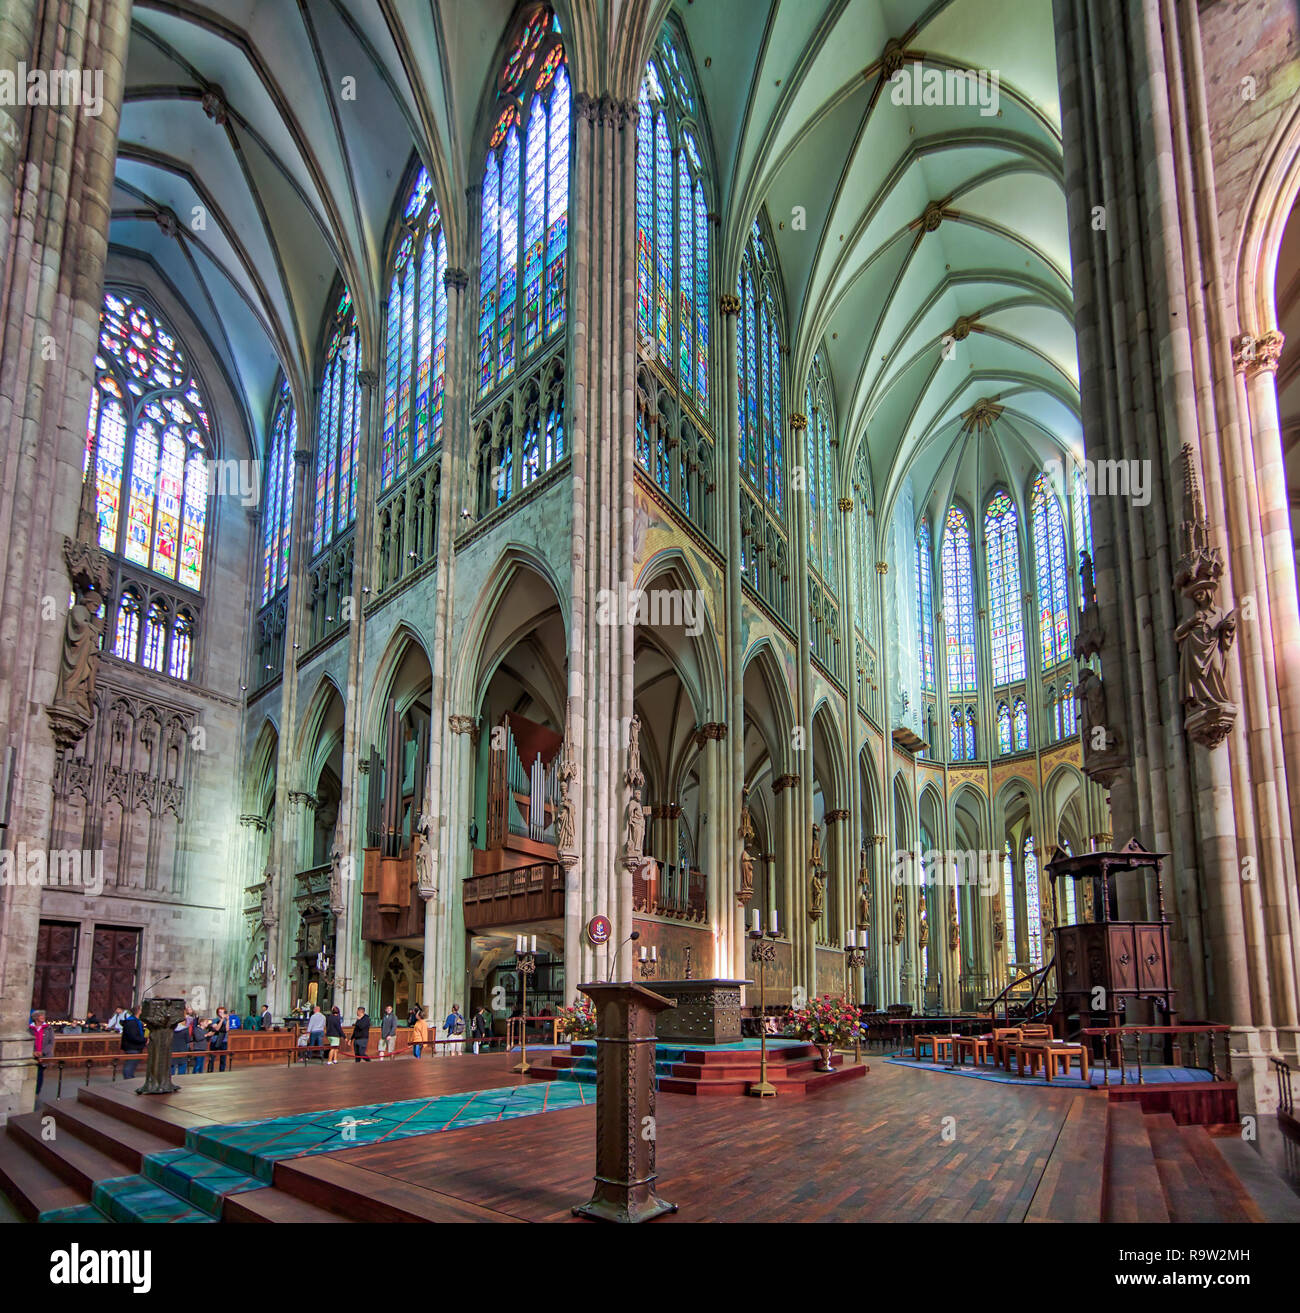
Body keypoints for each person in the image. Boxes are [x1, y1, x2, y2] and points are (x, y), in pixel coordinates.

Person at [119, 1006, 146, 1079]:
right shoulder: (131, 1022)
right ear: (139, 1012)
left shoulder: (136, 1021)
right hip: (132, 1046)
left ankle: (129, 1076)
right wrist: (145, 1040)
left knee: (133, 1064)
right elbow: (133, 1036)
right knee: (130, 1064)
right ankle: (128, 1079)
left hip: (136, 1046)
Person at [29, 1010, 49, 1095]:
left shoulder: (48, 1028)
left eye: (44, 1016)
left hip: (43, 1056)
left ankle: (36, 1093)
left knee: (40, 1074)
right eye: (41, 1016)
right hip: (31, 1055)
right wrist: (33, 1052)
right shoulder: (29, 1029)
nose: (43, 1017)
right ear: (36, 1017)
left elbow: (51, 1042)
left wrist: (43, 1053)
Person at [205, 1007, 229, 1073]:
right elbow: (217, 1029)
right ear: (217, 1013)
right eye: (220, 1012)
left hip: (224, 1041)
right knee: (212, 1057)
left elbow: (227, 1029)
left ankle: (222, 1071)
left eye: (223, 1012)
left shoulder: (226, 1020)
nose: (222, 1014)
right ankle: (210, 1071)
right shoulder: (214, 1020)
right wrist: (221, 1020)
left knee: (223, 1058)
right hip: (215, 1041)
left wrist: (227, 1020)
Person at [171, 1013, 191, 1078]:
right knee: (182, 1065)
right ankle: (181, 1079)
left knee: (172, 1065)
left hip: (172, 1049)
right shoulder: (185, 1029)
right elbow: (188, 1040)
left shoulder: (171, 1029)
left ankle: (171, 1078)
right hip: (182, 1049)